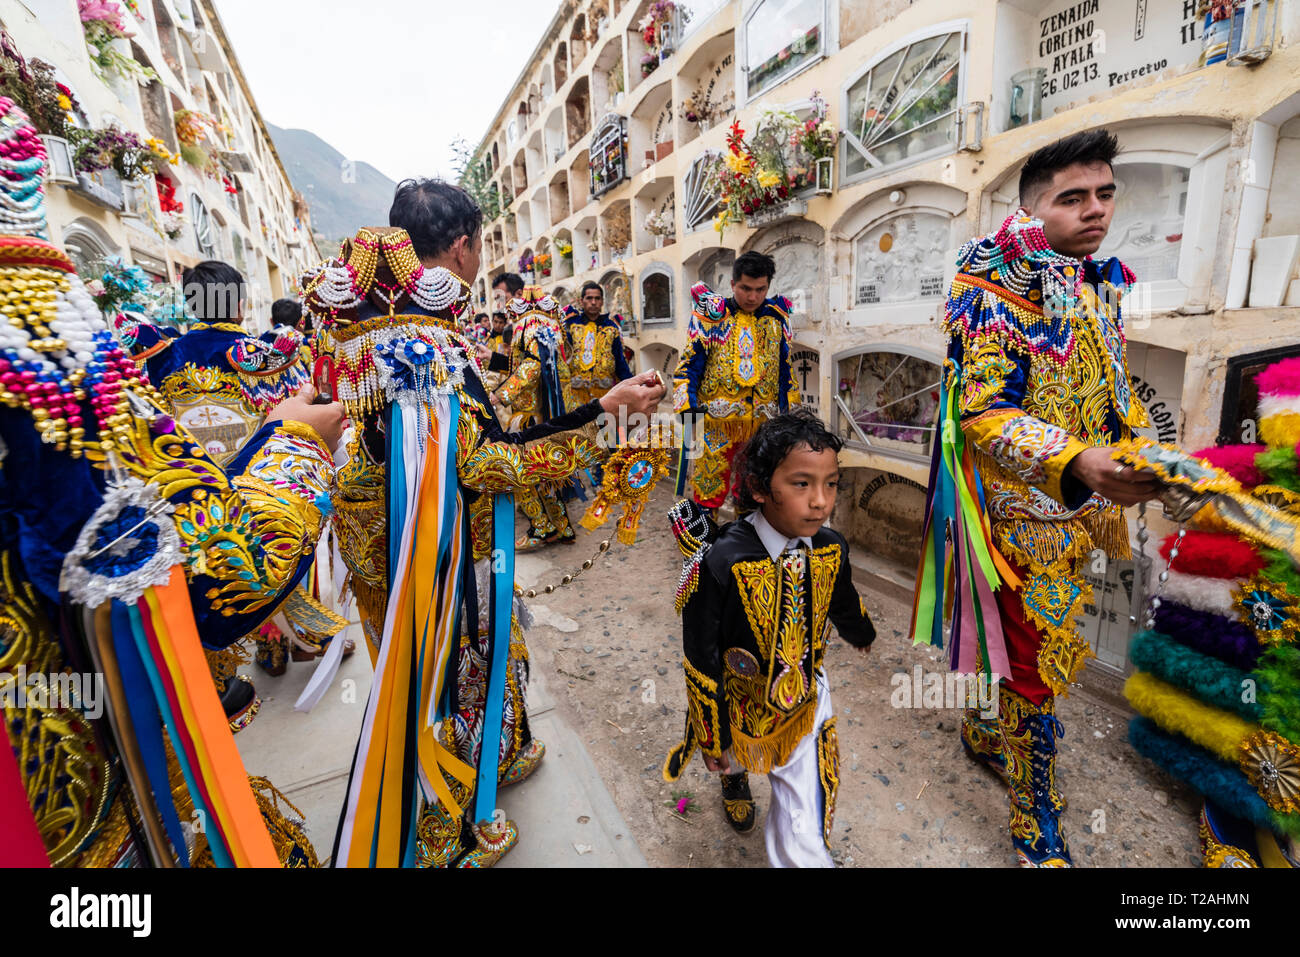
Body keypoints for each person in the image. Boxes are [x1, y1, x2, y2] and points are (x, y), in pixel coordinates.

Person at [0, 97, 347, 866]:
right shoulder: (47, 351)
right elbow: (227, 567)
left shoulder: (154, 354)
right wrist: (291, 443)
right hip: (191, 543)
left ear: (193, 298)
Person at [310, 177, 664, 867]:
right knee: (442, 675)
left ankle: (494, 758)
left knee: (460, 663)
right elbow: (490, 463)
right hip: (429, 553)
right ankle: (447, 831)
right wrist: (607, 416)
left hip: (391, 537)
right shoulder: (424, 342)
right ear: (466, 245)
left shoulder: (388, 324)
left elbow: (463, 429)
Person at [910, 129, 1162, 867]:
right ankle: (1033, 816)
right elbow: (983, 411)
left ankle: (987, 731)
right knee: (1037, 665)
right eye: (1073, 197)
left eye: (1106, 193)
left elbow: (1108, 389)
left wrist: (1151, 453)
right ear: (1032, 205)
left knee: (1040, 654)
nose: (1096, 210)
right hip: (1021, 515)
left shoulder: (1094, 277)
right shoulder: (992, 280)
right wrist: (1075, 457)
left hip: (1084, 509)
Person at [664, 409, 875, 866]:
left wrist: (861, 631)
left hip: (805, 701)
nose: (820, 501)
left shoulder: (831, 547)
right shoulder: (722, 561)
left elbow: (842, 598)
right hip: (740, 701)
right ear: (760, 488)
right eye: (802, 484)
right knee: (733, 756)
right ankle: (733, 777)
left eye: (831, 483)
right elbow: (701, 657)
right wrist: (712, 736)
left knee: (808, 804)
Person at [672, 251, 800, 510]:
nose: (752, 297)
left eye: (760, 289)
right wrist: (687, 403)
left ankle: (746, 540)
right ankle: (702, 542)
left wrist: (789, 414)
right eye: (745, 288)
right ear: (732, 284)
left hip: (763, 422)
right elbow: (689, 365)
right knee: (709, 486)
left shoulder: (777, 318)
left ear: (768, 286)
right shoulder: (710, 317)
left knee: (753, 488)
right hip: (719, 422)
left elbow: (786, 371)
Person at [496, 287, 583, 550]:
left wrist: (501, 395)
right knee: (545, 477)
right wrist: (493, 360)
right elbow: (521, 365)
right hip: (543, 417)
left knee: (522, 475)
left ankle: (542, 528)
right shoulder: (549, 335)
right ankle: (562, 528)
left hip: (530, 419)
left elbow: (530, 366)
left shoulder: (528, 329)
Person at [563, 281, 632, 406]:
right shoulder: (571, 325)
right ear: (581, 301)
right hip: (576, 396)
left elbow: (620, 362)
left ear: (602, 302)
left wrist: (633, 385)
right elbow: (562, 357)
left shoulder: (611, 327)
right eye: (589, 298)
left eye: (597, 298)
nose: (593, 302)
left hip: (605, 396)